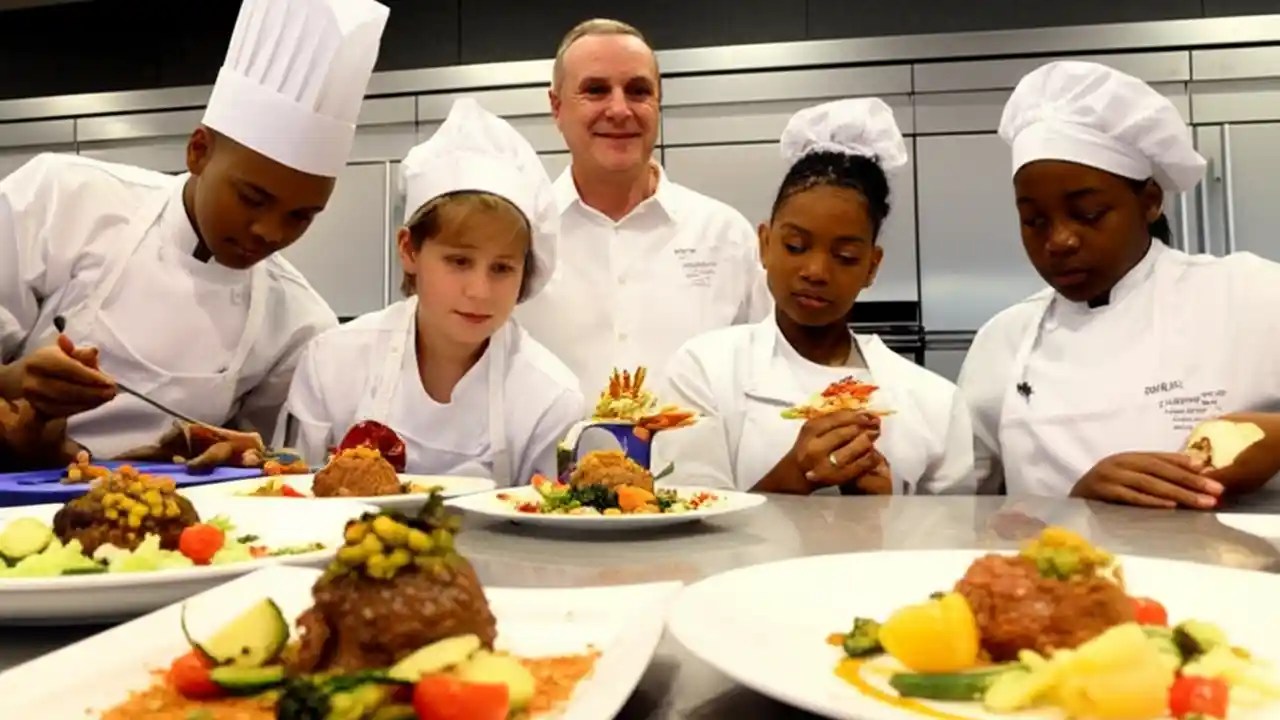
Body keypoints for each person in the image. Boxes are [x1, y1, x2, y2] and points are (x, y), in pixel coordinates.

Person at [0, 0, 390, 462]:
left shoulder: (298, 323)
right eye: (253, 198)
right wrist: (12, 382)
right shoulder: (61, 199)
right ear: (199, 151)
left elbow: (272, 466)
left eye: (301, 216)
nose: (269, 232)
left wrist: (242, 455)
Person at [958, 60, 1280, 508]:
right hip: (1059, 575)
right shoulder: (1003, 342)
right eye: (1033, 220)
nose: (1059, 241)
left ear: (1149, 202)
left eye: (1088, 214)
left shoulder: (1250, 295)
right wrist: (1076, 509)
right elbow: (967, 510)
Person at [663, 98, 977, 496]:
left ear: (872, 267)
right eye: (795, 246)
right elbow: (689, 529)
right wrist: (794, 476)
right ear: (764, 243)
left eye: (845, 257)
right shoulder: (705, 370)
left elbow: (952, 544)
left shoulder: (932, 400)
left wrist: (891, 511)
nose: (815, 271)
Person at [282, 99, 584, 486]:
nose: (479, 291)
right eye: (459, 261)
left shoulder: (548, 397)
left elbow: (552, 526)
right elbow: (287, 496)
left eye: (502, 268)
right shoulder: (333, 363)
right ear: (409, 250)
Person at [514, 18, 771, 403]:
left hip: (698, 464)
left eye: (638, 91)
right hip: (547, 466)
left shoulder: (725, 235)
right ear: (556, 107)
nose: (619, 110)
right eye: (596, 90)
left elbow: (766, 374)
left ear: (658, 104)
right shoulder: (521, 236)